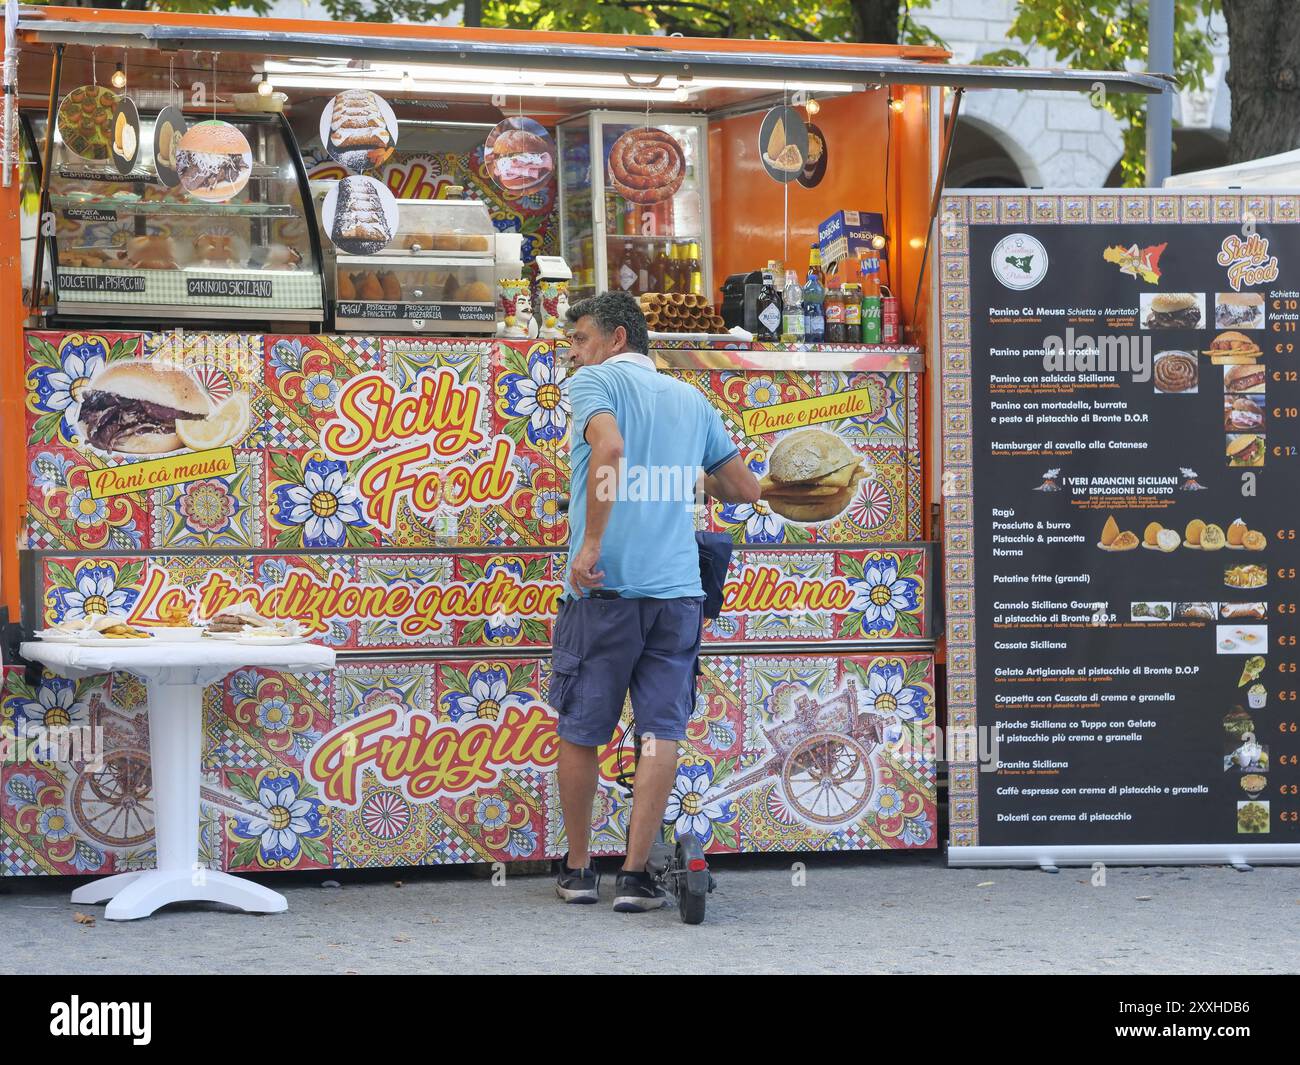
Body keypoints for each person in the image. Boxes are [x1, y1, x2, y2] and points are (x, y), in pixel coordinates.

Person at [552, 290, 760, 912]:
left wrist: (590, 543)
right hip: (677, 595)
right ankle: (637, 877)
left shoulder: (594, 385)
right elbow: (744, 487)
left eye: (581, 339)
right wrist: (683, 475)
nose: (574, 352)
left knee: (583, 730)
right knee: (660, 730)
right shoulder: (691, 398)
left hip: (604, 590)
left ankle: (580, 868)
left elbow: (610, 451)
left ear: (618, 339)